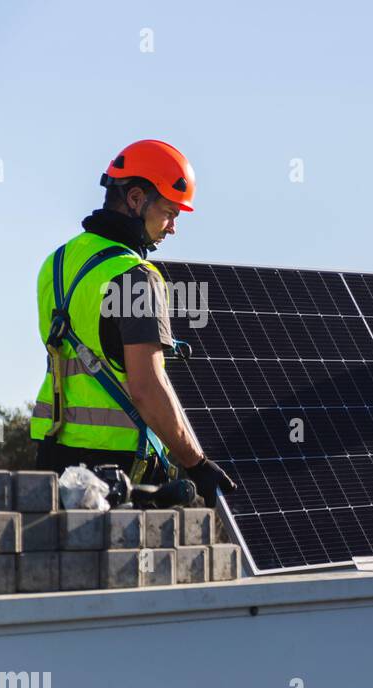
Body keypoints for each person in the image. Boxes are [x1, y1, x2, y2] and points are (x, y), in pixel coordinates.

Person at [29, 140, 235, 506]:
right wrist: (197, 463)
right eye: (170, 212)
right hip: (116, 470)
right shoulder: (136, 276)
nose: (172, 227)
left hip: (53, 460)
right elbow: (146, 387)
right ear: (137, 199)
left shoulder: (56, 263)